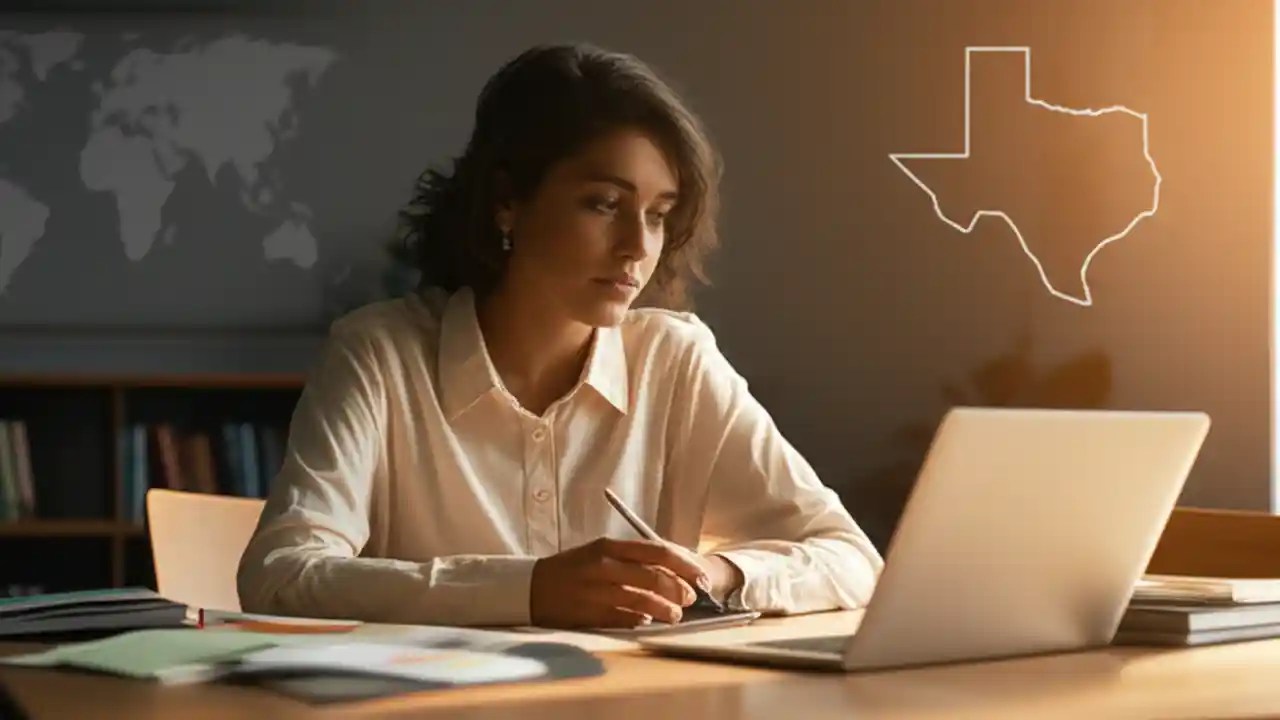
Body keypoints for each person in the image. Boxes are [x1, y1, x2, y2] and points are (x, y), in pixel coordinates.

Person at [237, 43, 883, 629]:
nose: (637, 247)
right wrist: (529, 590)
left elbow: (852, 557)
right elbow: (280, 575)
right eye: (604, 204)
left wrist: (714, 576)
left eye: (658, 215)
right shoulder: (379, 354)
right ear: (507, 201)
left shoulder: (676, 360)